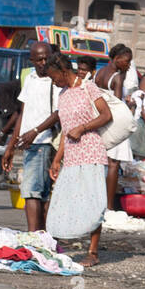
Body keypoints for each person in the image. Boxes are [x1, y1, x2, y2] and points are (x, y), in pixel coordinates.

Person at [44, 52, 111, 265]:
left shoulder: (87, 87)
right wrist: (57, 159)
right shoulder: (63, 94)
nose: (54, 82)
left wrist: (83, 127)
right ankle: (54, 245)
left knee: (93, 201)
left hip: (91, 151)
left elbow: (106, 115)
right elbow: (65, 131)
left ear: (64, 72)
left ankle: (93, 252)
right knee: (63, 200)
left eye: (54, 77)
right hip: (72, 155)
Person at [1, 41, 60, 232]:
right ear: (32, 60)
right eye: (39, 59)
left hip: (44, 142)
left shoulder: (56, 81)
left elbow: (59, 112)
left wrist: (35, 131)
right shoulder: (30, 79)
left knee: (32, 192)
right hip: (28, 144)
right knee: (37, 193)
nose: (43, 62)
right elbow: (22, 114)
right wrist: (10, 146)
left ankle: (35, 237)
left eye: (47, 58)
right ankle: (41, 237)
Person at [94, 44, 137, 207]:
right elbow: (118, 105)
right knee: (113, 163)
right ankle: (109, 205)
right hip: (113, 123)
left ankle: (97, 202)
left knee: (99, 163)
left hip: (99, 121)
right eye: (127, 61)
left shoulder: (99, 73)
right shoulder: (117, 78)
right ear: (117, 59)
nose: (129, 64)